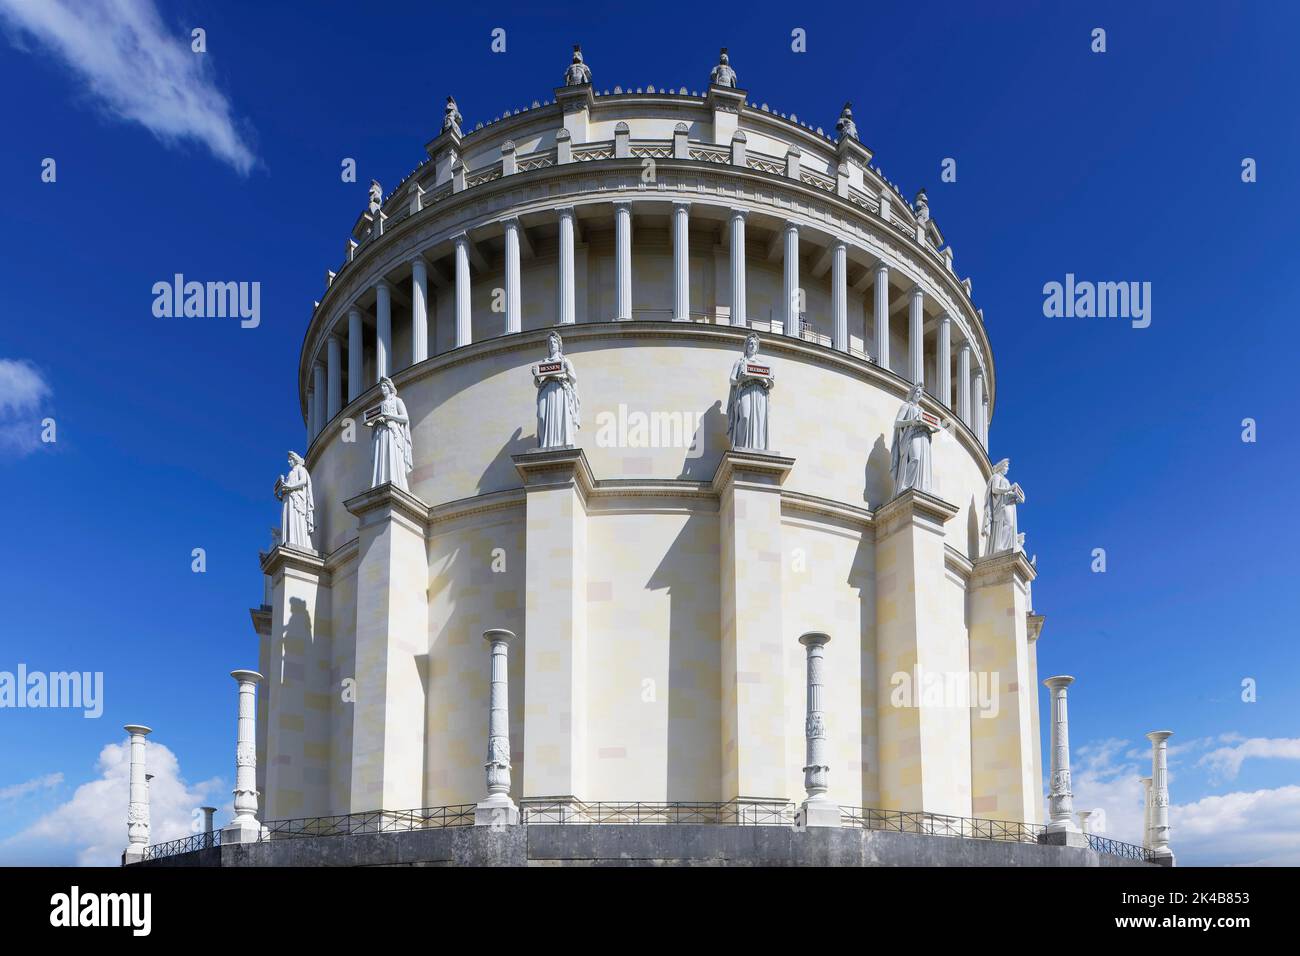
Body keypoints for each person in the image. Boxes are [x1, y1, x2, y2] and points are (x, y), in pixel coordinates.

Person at [726, 332, 774, 450]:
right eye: (750, 344)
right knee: (745, 417)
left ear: (757, 348)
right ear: (746, 347)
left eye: (754, 344)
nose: (752, 346)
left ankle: (758, 447)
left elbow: (771, 384)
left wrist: (768, 380)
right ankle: (741, 446)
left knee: (759, 421)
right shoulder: (740, 362)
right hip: (745, 390)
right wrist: (739, 380)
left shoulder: (763, 365)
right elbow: (732, 379)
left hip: (760, 393)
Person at [534, 332, 580, 447]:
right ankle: (545, 444)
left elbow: (573, 379)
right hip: (546, 390)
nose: (552, 344)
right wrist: (536, 376)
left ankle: (562, 442)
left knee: (560, 417)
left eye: (554, 342)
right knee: (541, 416)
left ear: (559, 345)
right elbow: (537, 383)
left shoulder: (565, 361)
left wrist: (567, 369)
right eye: (550, 343)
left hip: (560, 389)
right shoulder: (544, 362)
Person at [890, 383, 934, 496]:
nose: (920, 395)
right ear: (913, 393)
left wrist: (932, 430)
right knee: (915, 458)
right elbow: (897, 423)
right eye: (918, 392)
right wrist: (911, 422)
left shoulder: (921, 410)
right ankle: (906, 486)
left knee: (921, 461)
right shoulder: (906, 406)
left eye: (921, 393)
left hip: (923, 436)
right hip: (911, 436)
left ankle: (919, 486)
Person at [369, 376, 413, 489]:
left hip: (392, 432)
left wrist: (390, 417)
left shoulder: (398, 401)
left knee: (392, 453)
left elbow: (405, 417)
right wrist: (376, 422)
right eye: (381, 386)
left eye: (384, 386)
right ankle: (381, 480)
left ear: (389, 387)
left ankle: (394, 478)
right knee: (382, 454)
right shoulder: (380, 404)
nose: (382, 388)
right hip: (381, 432)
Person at [276, 451, 314, 550]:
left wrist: (290, 486)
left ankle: (298, 541)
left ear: (295, 460)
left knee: (296, 518)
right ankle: (289, 540)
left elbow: (303, 481)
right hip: (288, 499)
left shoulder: (300, 469)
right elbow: (287, 487)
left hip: (296, 499)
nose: (289, 462)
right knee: (289, 518)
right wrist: (279, 494)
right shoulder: (290, 473)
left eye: (290, 460)